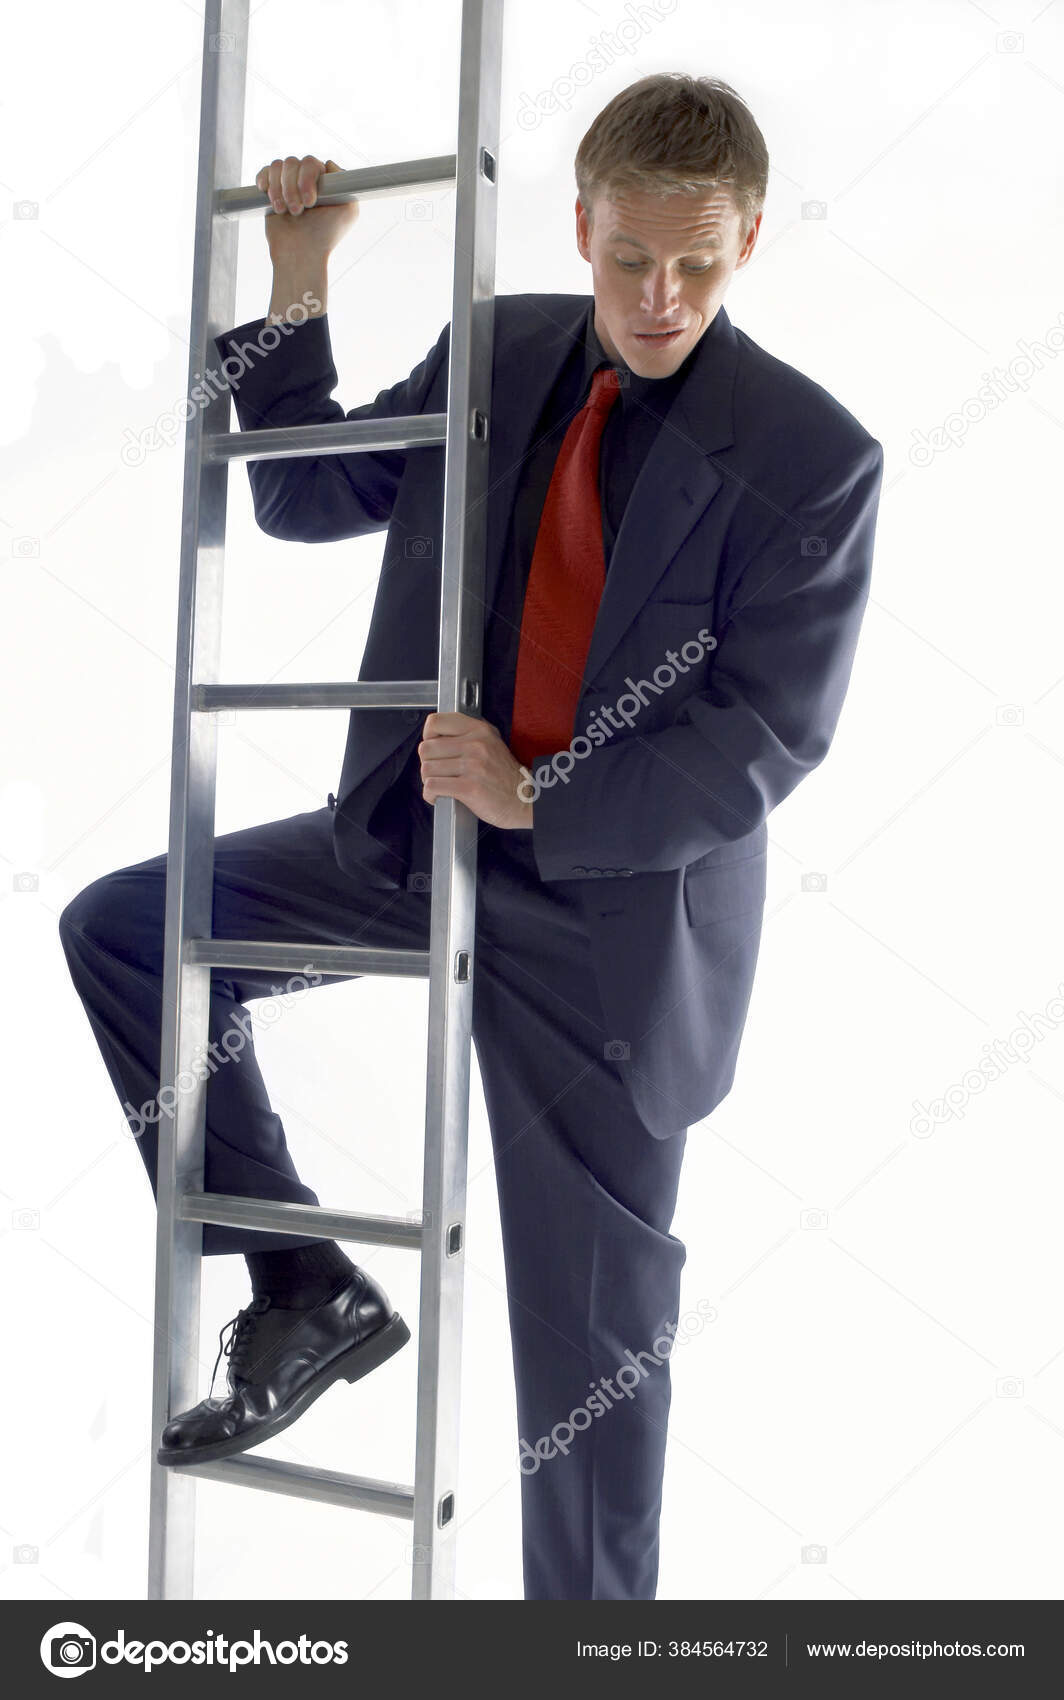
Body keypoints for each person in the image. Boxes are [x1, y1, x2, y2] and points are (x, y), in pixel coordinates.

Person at [58, 74, 884, 1600]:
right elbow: (309, 501)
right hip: (409, 847)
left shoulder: (812, 457)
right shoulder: (502, 348)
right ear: (582, 223)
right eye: (631, 256)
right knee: (125, 930)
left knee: (593, 1373)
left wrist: (541, 796)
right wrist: (298, 288)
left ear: (751, 240)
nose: (660, 296)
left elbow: (769, 739)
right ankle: (303, 1283)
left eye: (698, 262)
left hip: (609, 937)